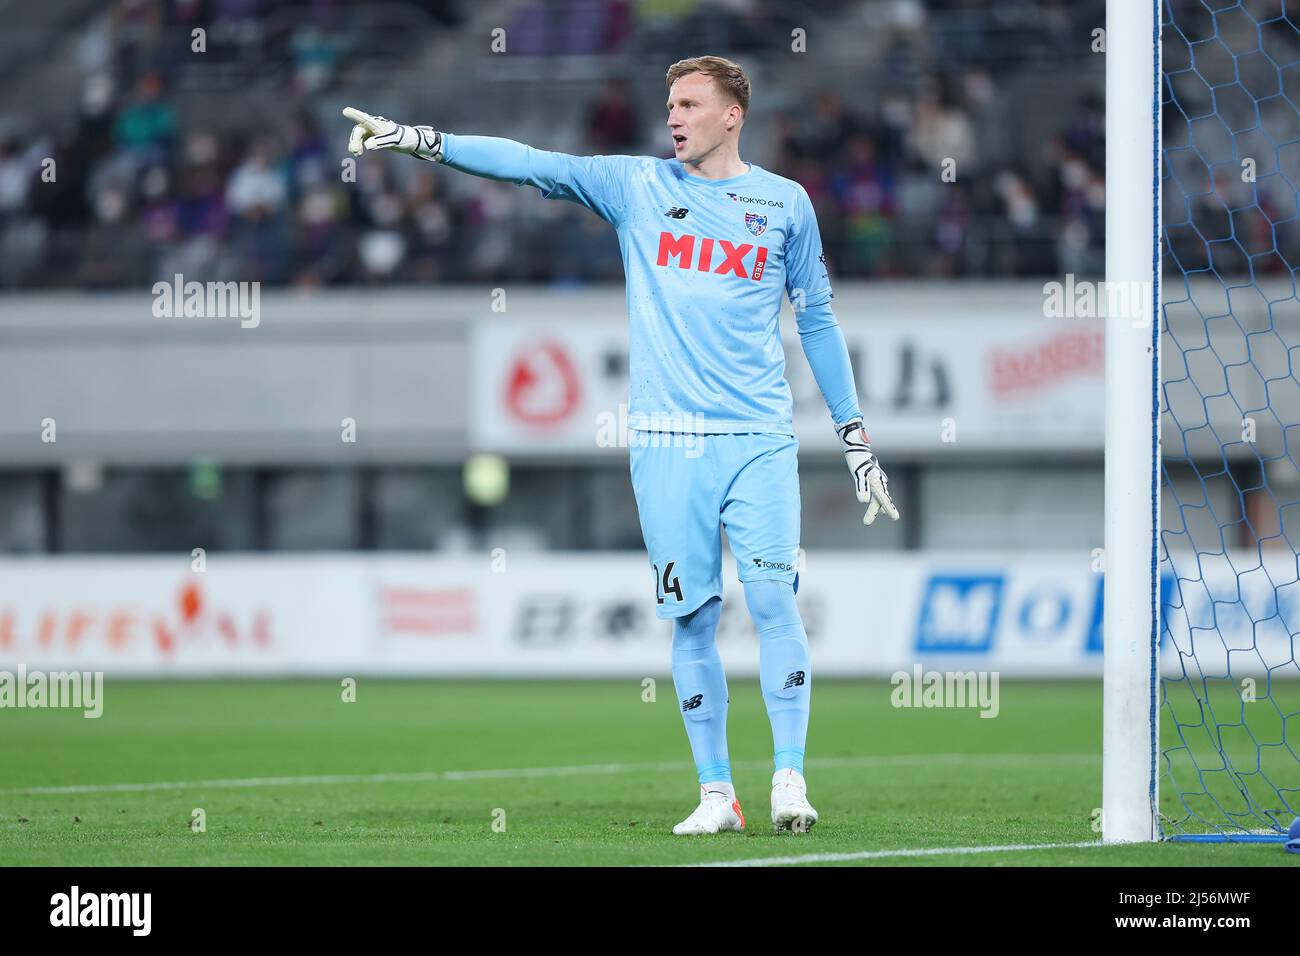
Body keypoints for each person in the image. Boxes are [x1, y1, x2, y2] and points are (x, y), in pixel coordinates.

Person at [344, 55, 898, 835]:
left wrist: (855, 440)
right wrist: (419, 140)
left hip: (759, 437)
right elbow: (533, 165)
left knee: (775, 601)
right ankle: (716, 794)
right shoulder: (637, 187)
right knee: (693, 621)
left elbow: (817, 320)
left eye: (689, 105)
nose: (673, 117)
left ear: (731, 114)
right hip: (667, 444)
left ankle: (789, 781)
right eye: (669, 104)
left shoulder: (783, 204)